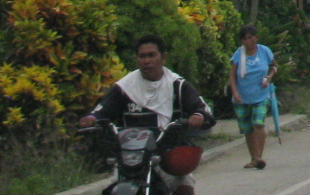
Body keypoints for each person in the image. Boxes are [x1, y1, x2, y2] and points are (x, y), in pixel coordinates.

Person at [80, 35, 214, 195]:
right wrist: (91, 119)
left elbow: (202, 108)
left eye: (152, 55)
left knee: (184, 187)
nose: (147, 61)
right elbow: (103, 110)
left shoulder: (177, 85)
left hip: (165, 154)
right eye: (142, 56)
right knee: (113, 188)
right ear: (137, 59)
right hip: (131, 157)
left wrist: (197, 116)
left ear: (163, 57)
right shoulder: (125, 87)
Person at [229, 25, 277, 170]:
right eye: (245, 38)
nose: (248, 41)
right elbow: (232, 75)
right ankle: (254, 158)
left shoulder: (264, 51)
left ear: (256, 38)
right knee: (247, 129)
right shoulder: (239, 54)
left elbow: (274, 66)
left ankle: (258, 157)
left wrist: (269, 77)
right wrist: (235, 92)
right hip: (242, 97)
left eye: (251, 37)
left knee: (258, 123)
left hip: (261, 95)